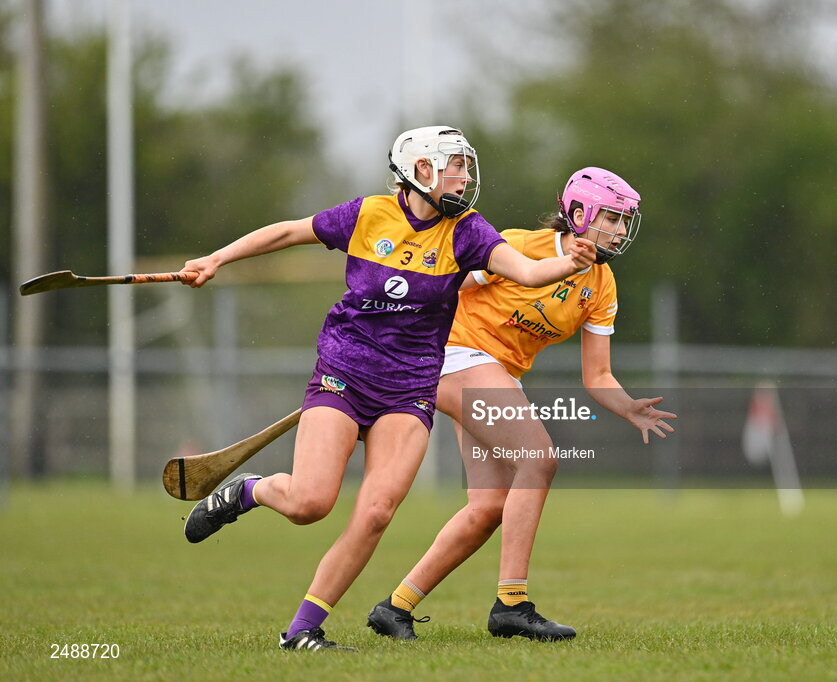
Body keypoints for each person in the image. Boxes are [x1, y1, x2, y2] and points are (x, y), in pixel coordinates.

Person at [179, 126, 596, 652]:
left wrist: (569, 263)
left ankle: (303, 630)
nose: (466, 177)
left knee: (375, 513)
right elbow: (288, 232)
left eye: (467, 166)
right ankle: (248, 491)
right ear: (421, 169)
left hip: (411, 387)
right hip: (344, 372)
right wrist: (216, 259)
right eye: (456, 166)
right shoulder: (367, 214)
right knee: (310, 503)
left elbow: (530, 271)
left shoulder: (466, 231)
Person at [365, 167, 676, 642]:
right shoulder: (516, 246)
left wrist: (627, 405)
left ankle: (395, 607)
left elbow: (598, 376)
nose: (618, 229)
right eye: (610, 217)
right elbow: (439, 285)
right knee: (539, 458)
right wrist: (388, 343)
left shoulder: (602, 284)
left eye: (623, 220)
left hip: (495, 375)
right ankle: (512, 603)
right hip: (452, 356)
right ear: (577, 213)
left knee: (488, 506)